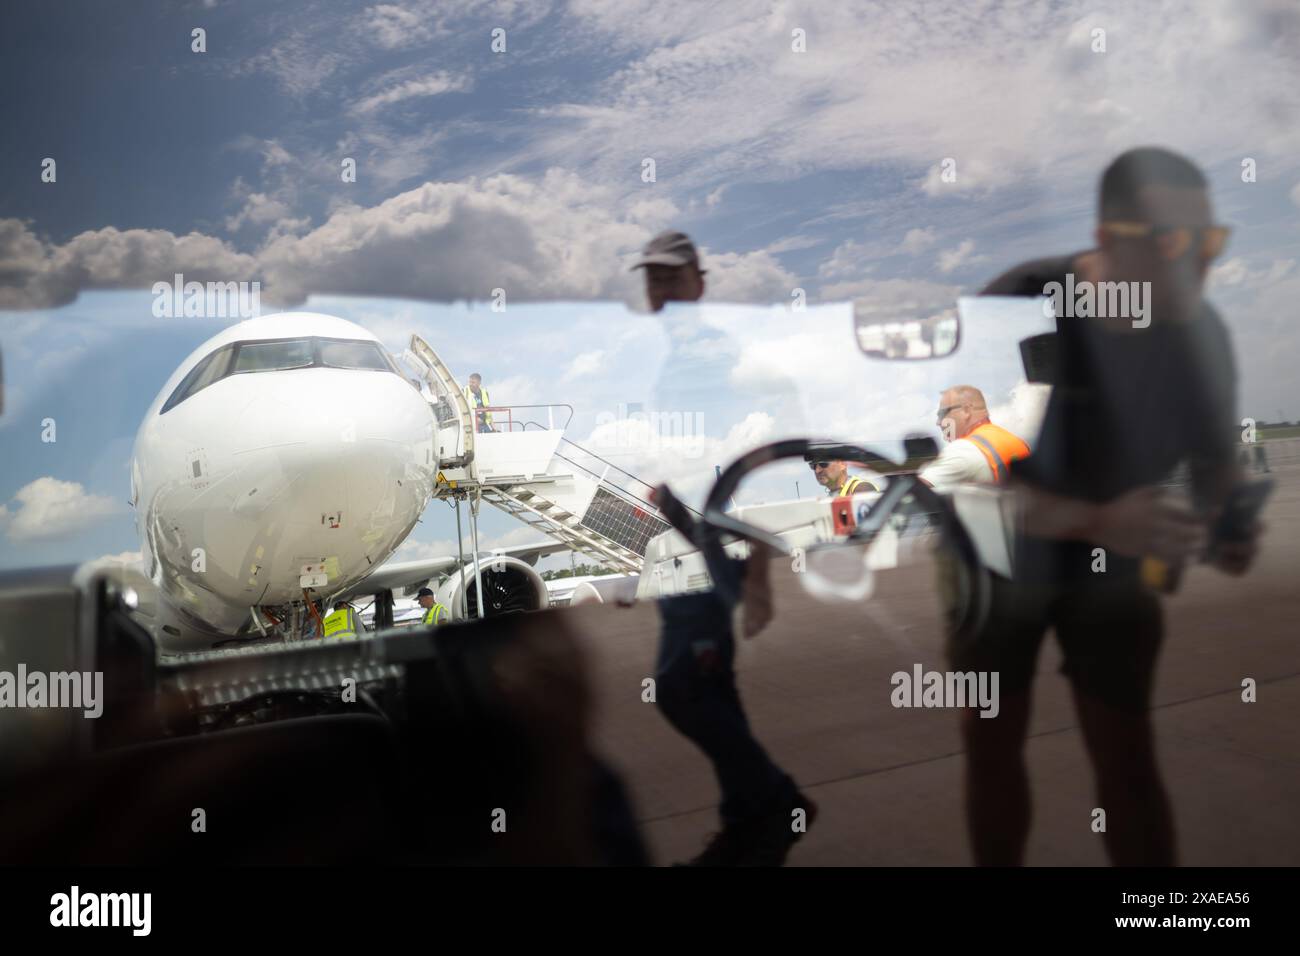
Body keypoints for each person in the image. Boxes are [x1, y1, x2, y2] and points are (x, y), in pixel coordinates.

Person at [954, 146, 1260, 867]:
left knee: (1126, 758)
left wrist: (1227, 520)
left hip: (1114, 565)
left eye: (1209, 242)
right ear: (1104, 239)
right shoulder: (1022, 300)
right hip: (998, 563)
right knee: (992, 745)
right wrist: (1098, 521)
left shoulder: (1200, 336)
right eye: (1175, 244)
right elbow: (967, 478)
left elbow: (1217, 465)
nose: (1200, 266)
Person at [919, 385, 1030, 492]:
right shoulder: (1015, 441)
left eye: (942, 414)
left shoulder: (964, 449)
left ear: (966, 410)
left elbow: (915, 493)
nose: (938, 422)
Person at [809, 458, 877, 496]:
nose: (817, 470)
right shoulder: (830, 497)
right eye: (813, 466)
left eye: (823, 464)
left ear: (842, 464)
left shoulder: (861, 488)